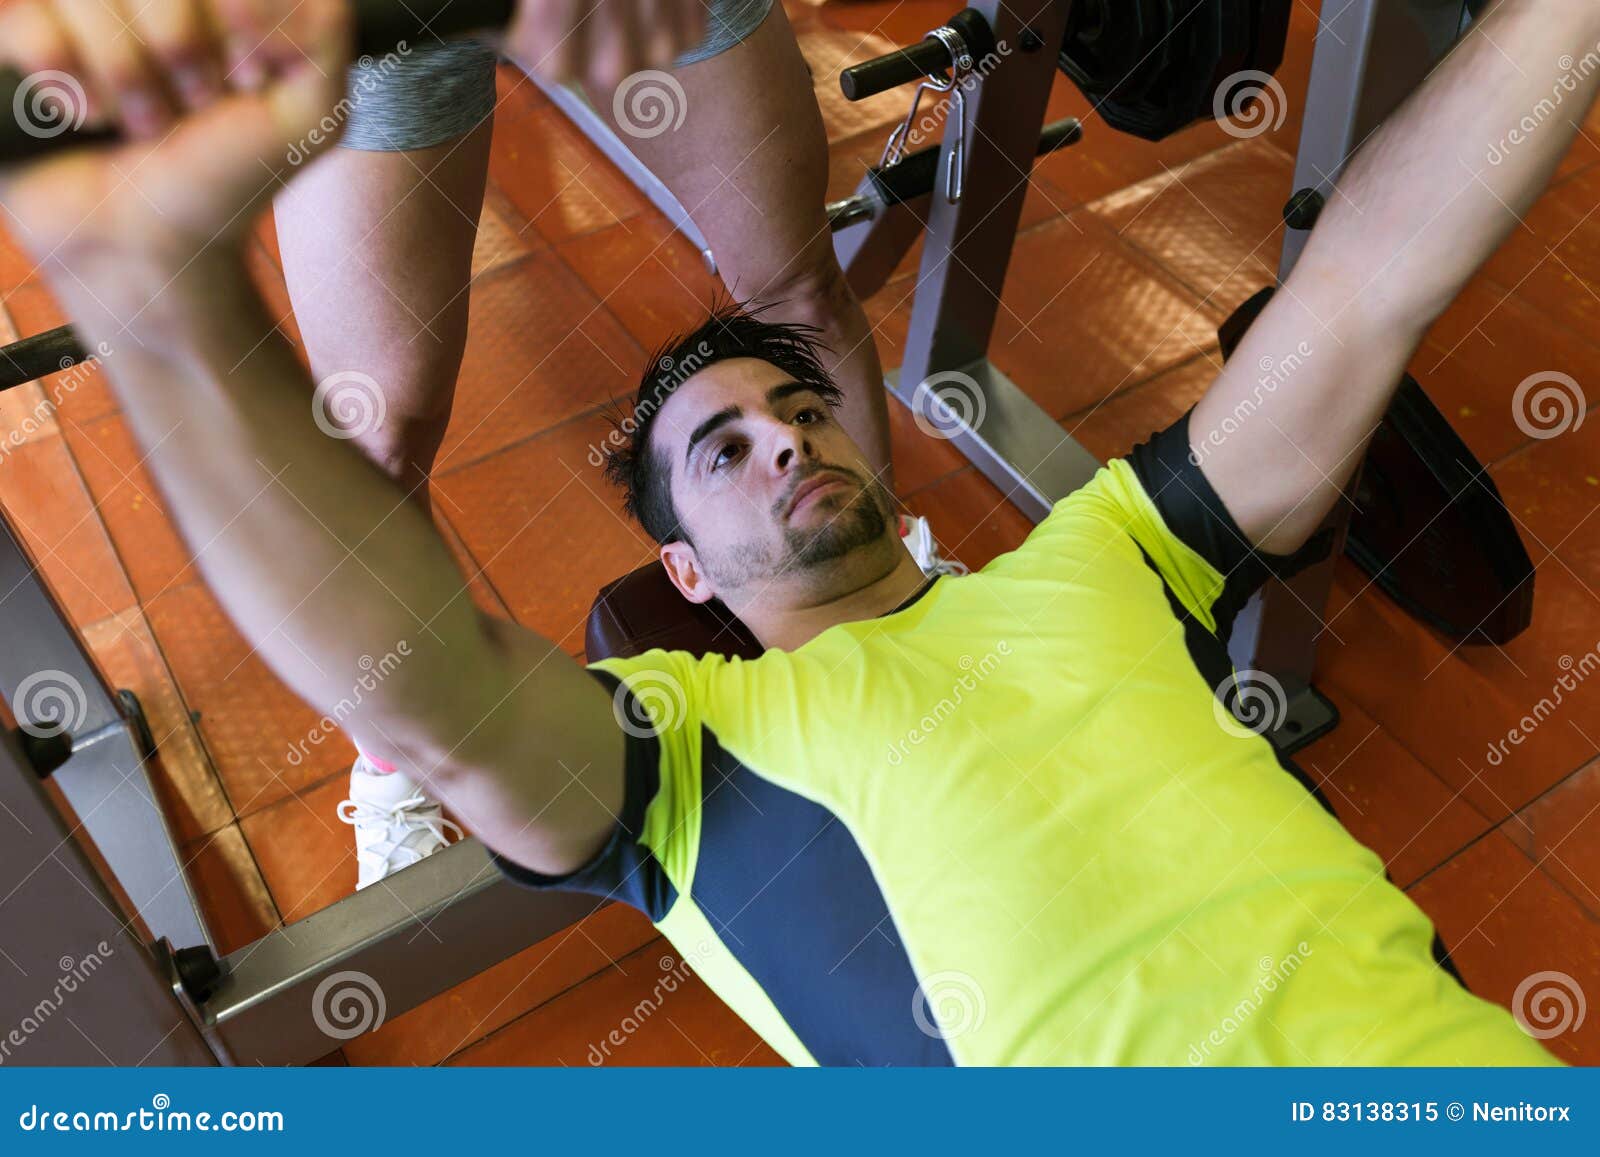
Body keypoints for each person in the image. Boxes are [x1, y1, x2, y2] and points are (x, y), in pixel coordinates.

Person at [0, 0, 1577, 1064]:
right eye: (728, 450)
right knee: (381, 443)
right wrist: (153, 296)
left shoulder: (1105, 553)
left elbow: (1363, 289)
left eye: (800, 417)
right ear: (681, 575)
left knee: (790, 291)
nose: (790, 440)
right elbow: (429, 677)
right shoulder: (690, 754)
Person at [0, 0, 959, 889]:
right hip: (387, 25)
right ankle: (397, 753)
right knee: (380, 428)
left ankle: (887, 605)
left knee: (791, 286)